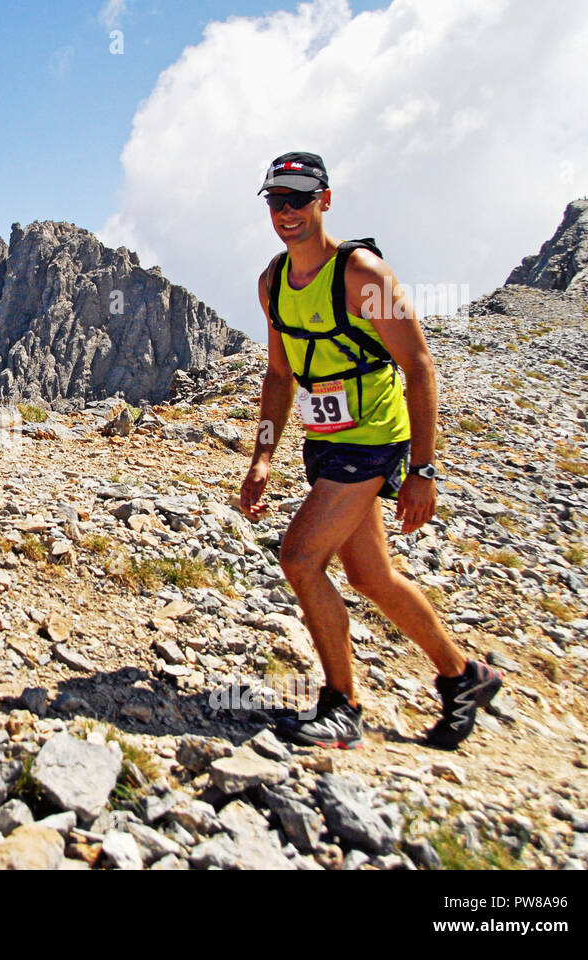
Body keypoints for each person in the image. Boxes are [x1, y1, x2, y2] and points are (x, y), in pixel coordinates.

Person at [239, 151, 501, 750]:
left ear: (324, 201)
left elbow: (419, 365)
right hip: (325, 443)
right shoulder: (273, 282)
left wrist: (423, 469)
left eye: (299, 199)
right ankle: (465, 676)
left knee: (301, 559)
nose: (286, 212)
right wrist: (262, 454)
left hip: (375, 439)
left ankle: (342, 707)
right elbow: (280, 377)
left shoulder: (362, 275)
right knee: (371, 576)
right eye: (276, 201)